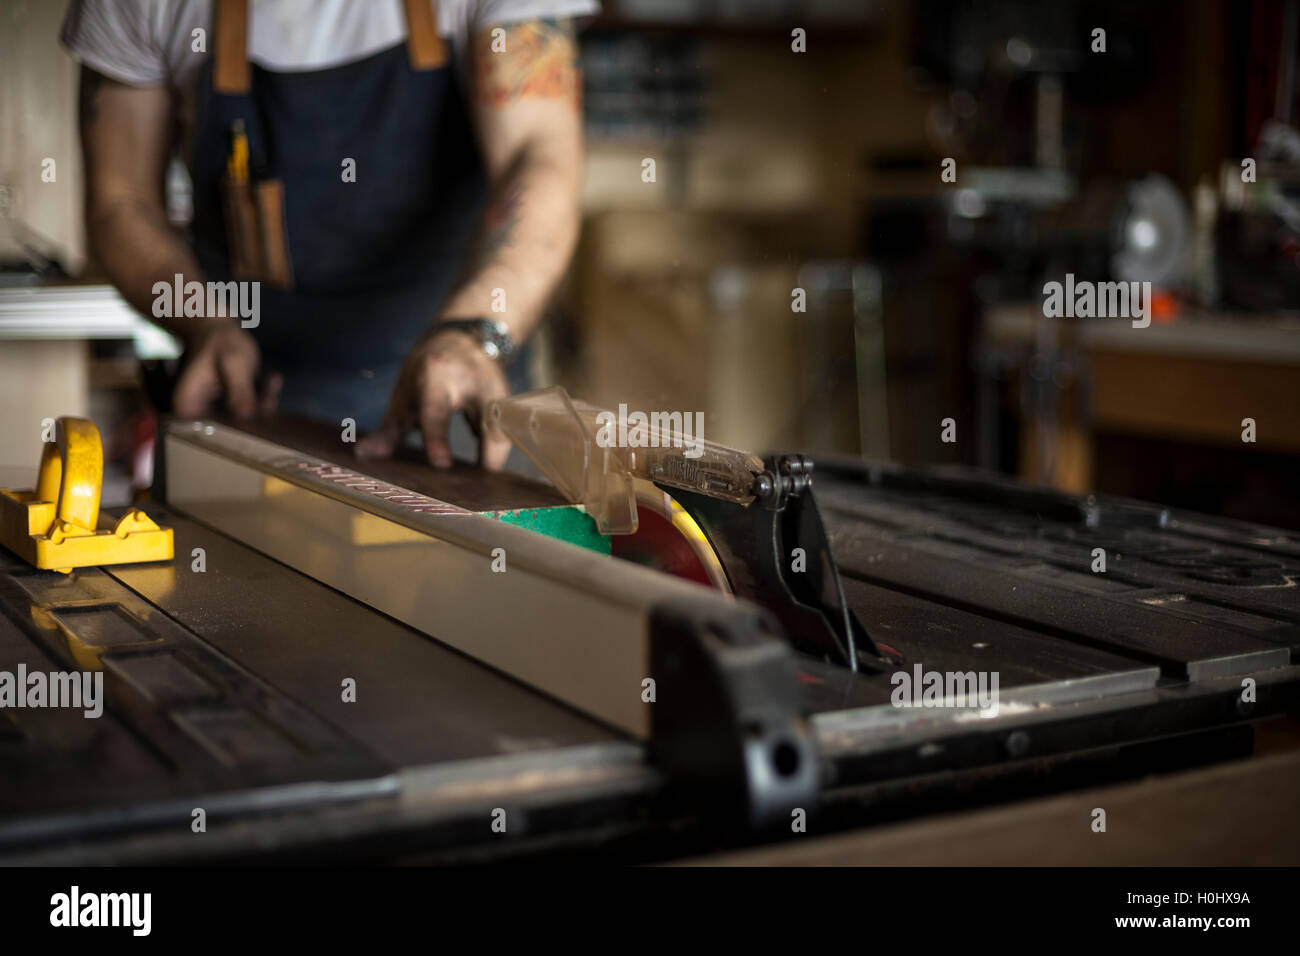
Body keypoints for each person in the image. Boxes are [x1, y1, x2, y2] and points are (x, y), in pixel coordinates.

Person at [64, 0, 594, 470]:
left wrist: (477, 333)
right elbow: (120, 200)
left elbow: (541, 162)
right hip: (254, 412)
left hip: (461, 398)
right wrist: (205, 326)